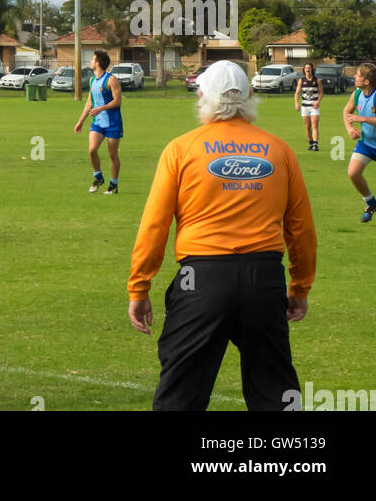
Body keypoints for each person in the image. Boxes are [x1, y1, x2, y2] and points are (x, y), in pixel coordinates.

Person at [127, 60, 316, 411]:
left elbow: (155, 225)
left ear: (202, 96)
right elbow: (301, 228)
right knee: (275, 393)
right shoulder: (279, 150)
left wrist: (140, 287)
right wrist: (300, 287)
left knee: (180, 397)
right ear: (249, 96)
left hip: (200, 279)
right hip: (264, 277)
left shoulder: (181, 149)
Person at [75, 50, 123, 194]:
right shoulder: (92, 80)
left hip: (113, 123)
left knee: (112, 155)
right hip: (98, 123)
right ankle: (98, 177)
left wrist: (100, 108)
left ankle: (113, 185)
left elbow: (117, 101)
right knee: (92, 150)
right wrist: (81, 121)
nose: (90, 61)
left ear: (98, 63)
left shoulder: (111, 80)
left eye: (92, 59)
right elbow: (90, 102)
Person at [344, 61, 376, 222]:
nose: (354, 76)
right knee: (353, 173)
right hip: (367, 144)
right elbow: (346, 111)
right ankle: (371, 204)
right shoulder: (356, 94)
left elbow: (360, 117)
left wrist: (362, 118)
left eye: (357, 75)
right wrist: (350, 128)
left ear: (366, 81)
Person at [294, 62, 321, 152]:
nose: (307, 69)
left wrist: (317, 101)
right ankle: (311, 143)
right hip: (304, 107)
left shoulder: (317, 80)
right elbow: (297, 93)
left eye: (309, 68)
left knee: (314, 125)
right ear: (304, 70)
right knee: (308, 127)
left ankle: (315, 144)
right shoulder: (301, 80)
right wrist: (296, 103)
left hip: (314, 107)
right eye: (306, 68)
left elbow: (321, 93)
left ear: (312, 69)